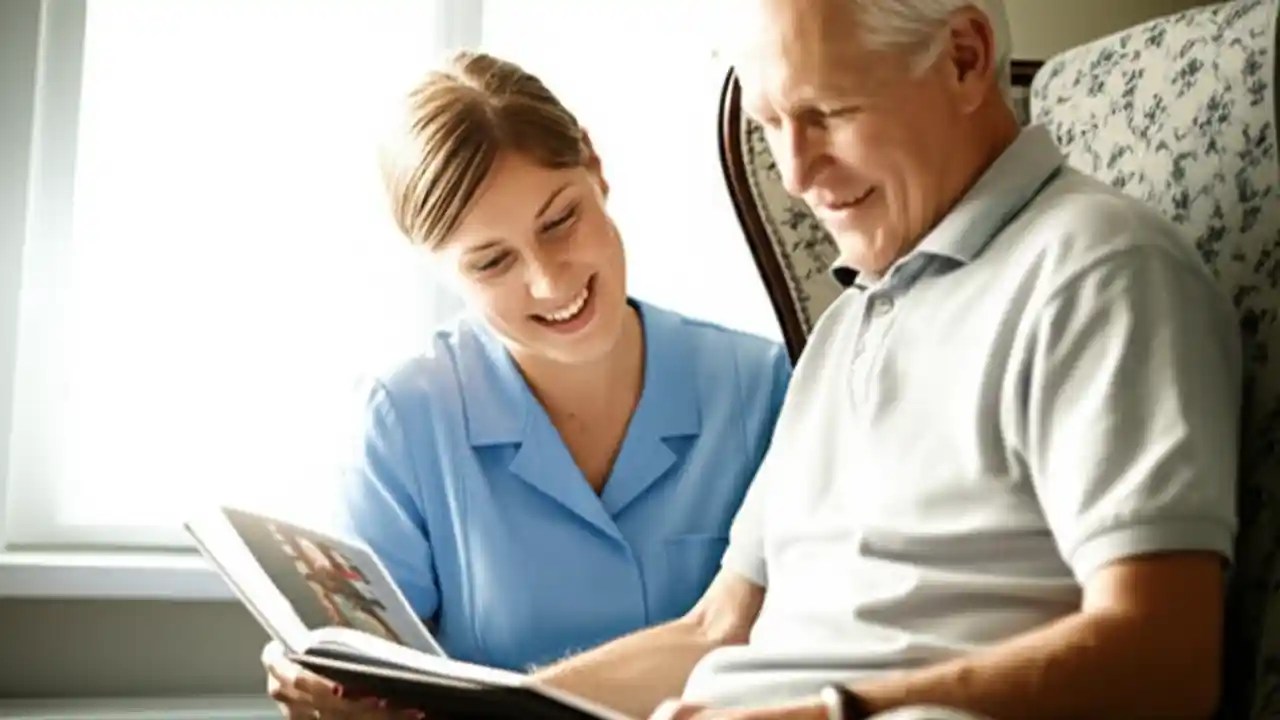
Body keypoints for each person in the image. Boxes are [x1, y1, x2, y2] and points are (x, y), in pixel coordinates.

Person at [512, 1, 1239, 718]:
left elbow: (1165, 655)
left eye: (828, 112)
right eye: (770, 123)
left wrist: (830, 714)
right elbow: (716, 630)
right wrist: (494, 708)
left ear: (963, 57)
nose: (795, 173)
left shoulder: (1098, 271)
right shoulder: (846, 325)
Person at [262, 50, 792, 719]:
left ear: (595, 167)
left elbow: (793, 642)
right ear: (437, 269)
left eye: (560, 219)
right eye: (491, 261)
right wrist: (323, 687)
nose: (549, 281)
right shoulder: (405, 421)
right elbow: (372, 676)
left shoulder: (763, 386)